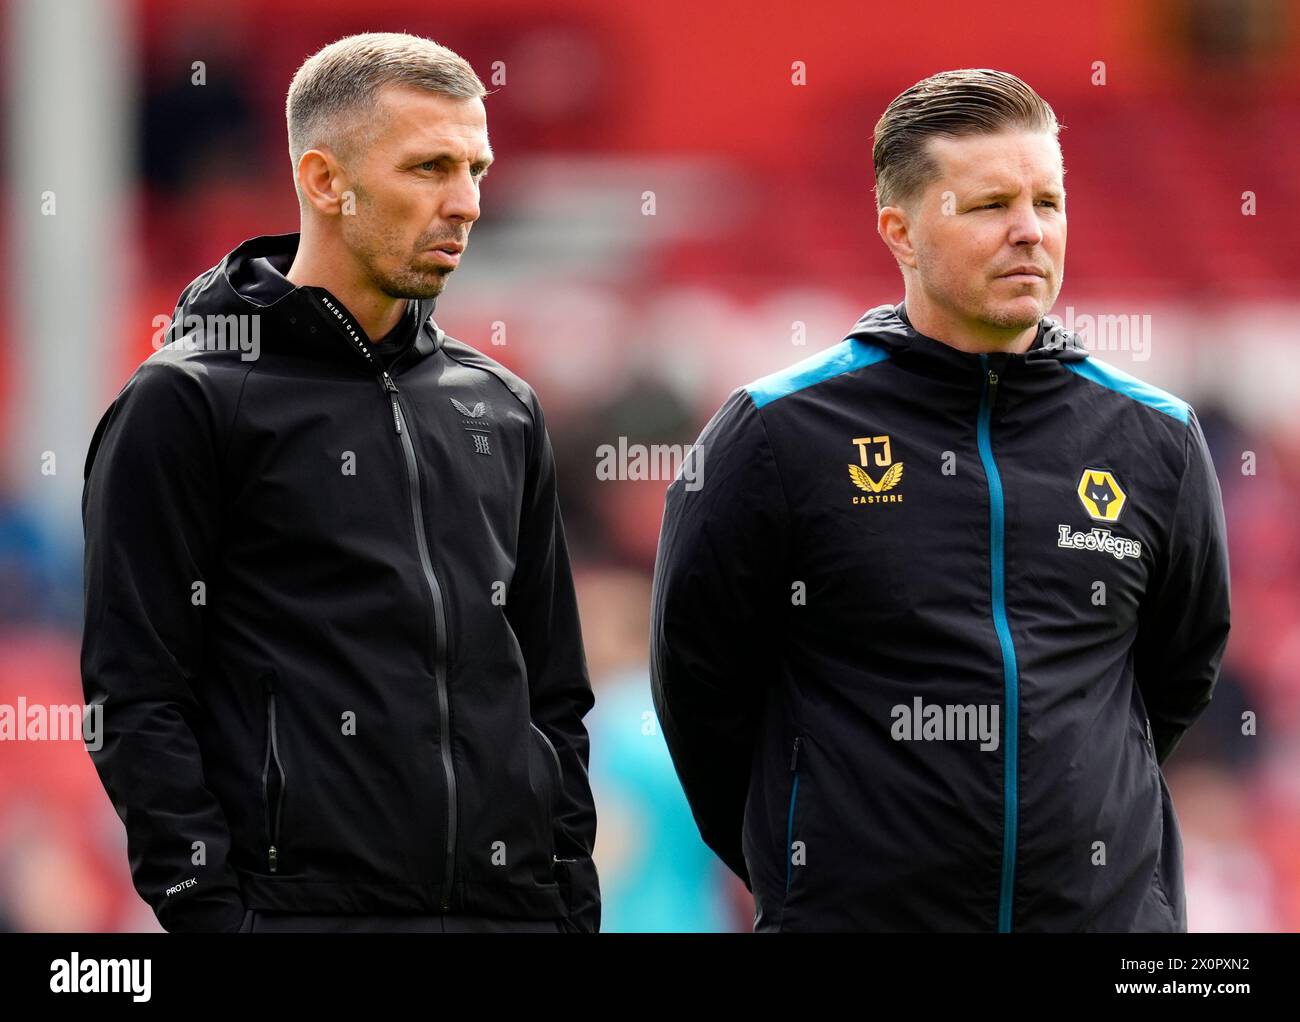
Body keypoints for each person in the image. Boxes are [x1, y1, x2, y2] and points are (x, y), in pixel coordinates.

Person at [649, 68, 1230, 932]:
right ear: (901, 230)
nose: (1030, 232)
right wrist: (815, 869)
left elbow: (1174, 679)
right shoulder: (776, 435)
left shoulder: (1157, 437)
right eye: (991, 205)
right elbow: (700, 692)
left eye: (1049, 201)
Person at [81, 32, 599, 934]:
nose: (466, 203)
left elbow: (553, 692)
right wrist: (213, 916)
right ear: (325, 180)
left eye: (475, 168)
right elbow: (135, 698)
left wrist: (567, 898)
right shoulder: (188, 401)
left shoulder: (503, 408)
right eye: (430, 167)